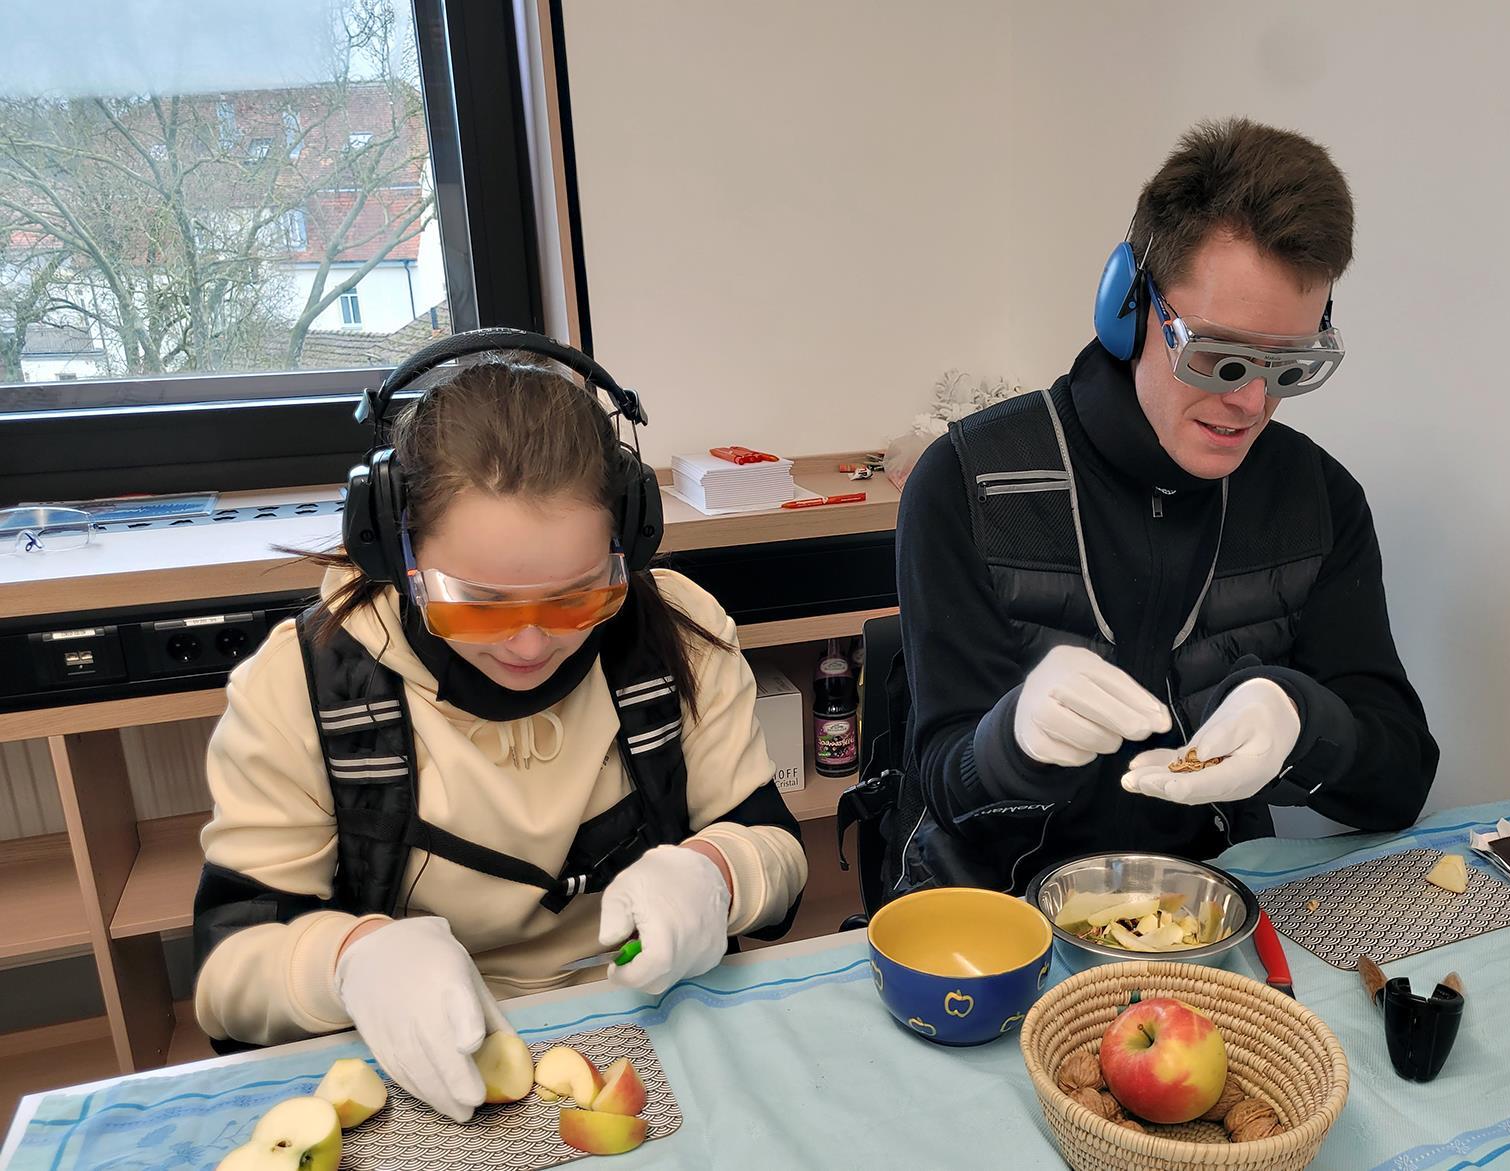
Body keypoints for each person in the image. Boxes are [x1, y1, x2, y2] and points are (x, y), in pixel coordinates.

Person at [190, 331, 808, 1121]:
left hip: (652, 1023)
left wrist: (716, 875)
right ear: (397, 551)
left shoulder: (678, 631)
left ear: (628, 540)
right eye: (476, 603)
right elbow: (224, 979)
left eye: (577, 597)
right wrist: (348, 960)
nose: (529, 643)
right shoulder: (303, 684)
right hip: (419, 1065)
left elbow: (780, 857)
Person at [889, 118, 1438, 896]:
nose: (1250, 402)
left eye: (1287, 366)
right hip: (991, 918)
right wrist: (1009, 742)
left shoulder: (1318, 502)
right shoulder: (969, 483)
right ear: (1129, 307)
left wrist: (1304, 723)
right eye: (1220, 356)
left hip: (1205, 919)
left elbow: (1400, 782)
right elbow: (946, 783)